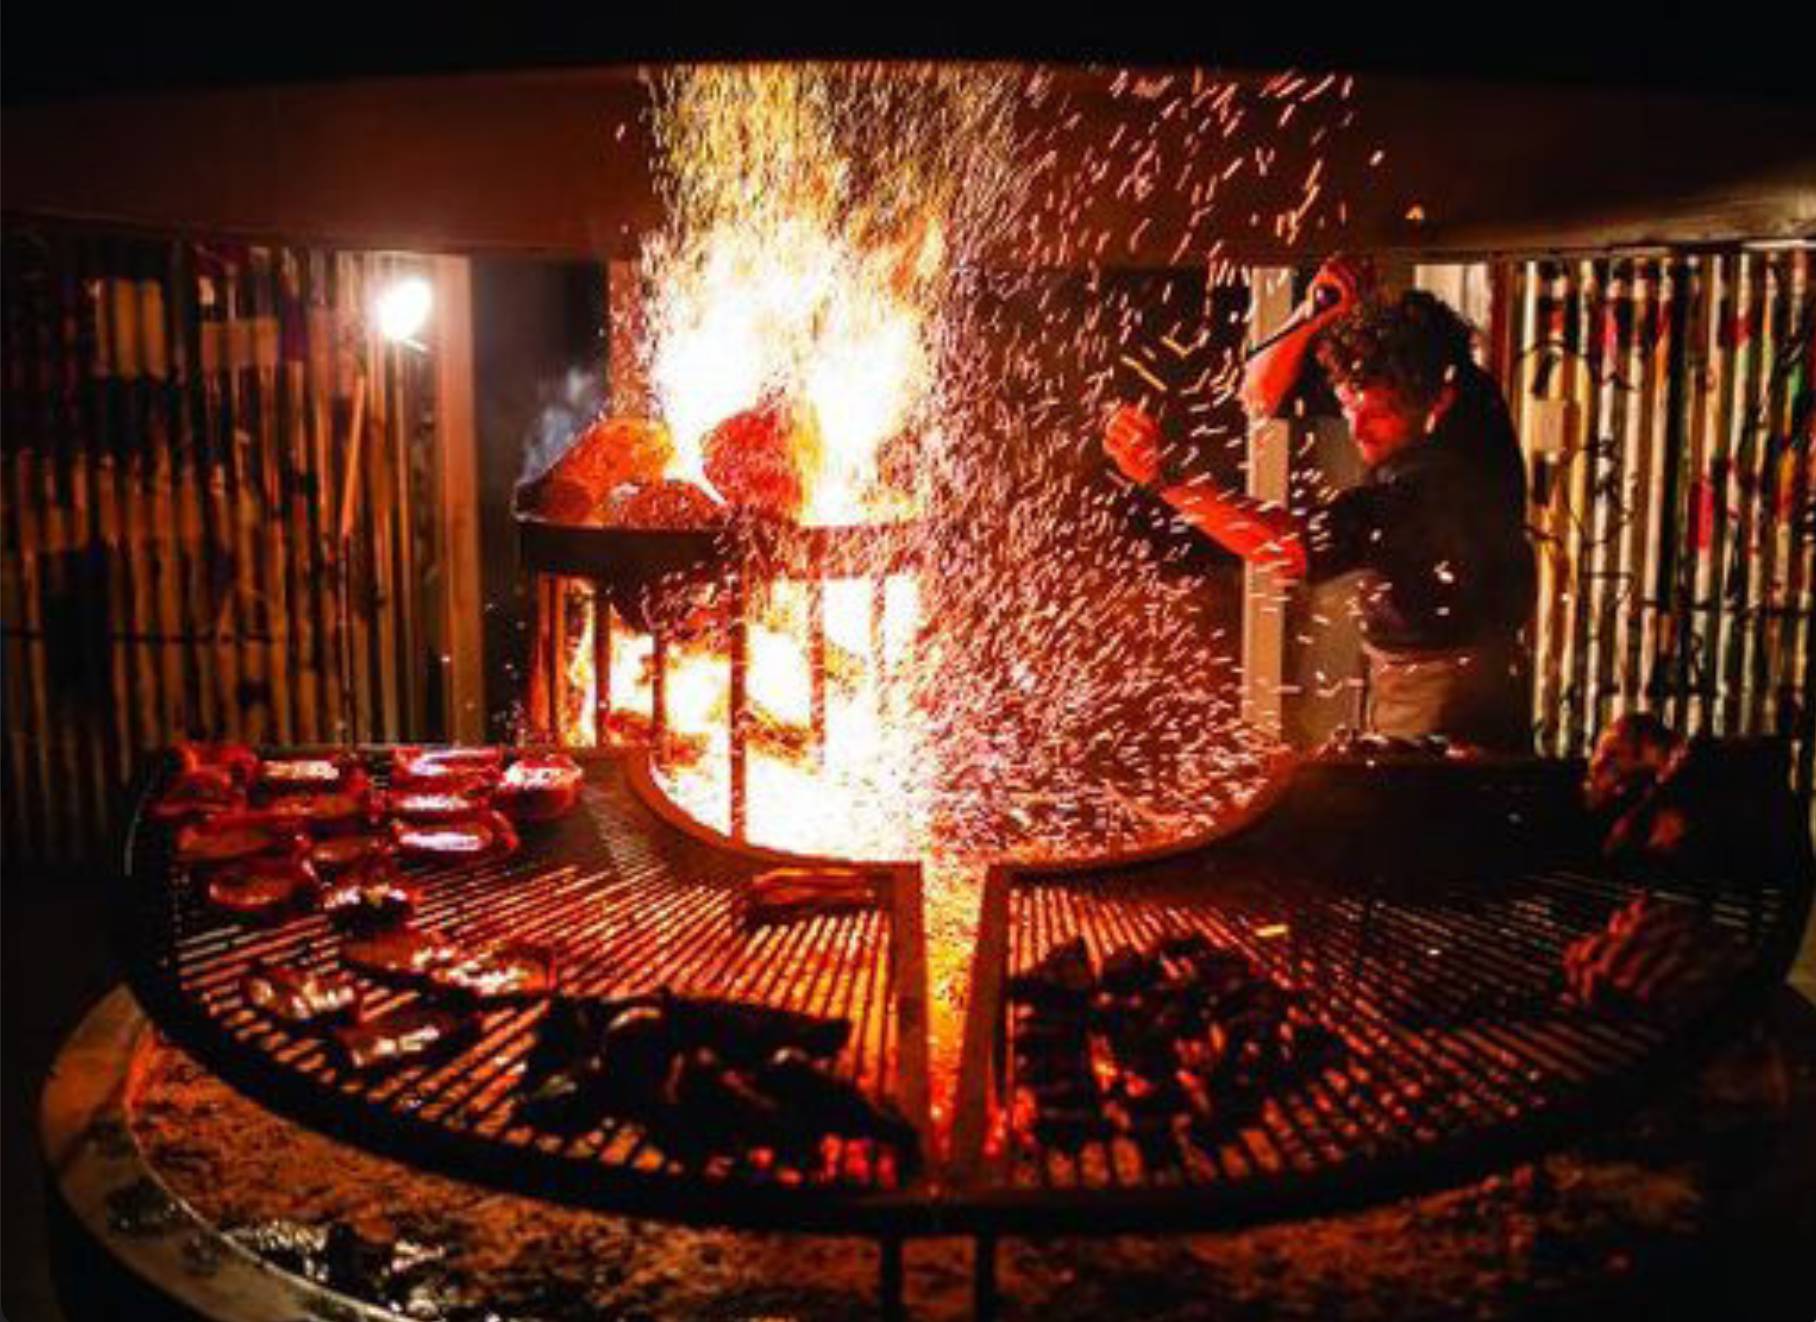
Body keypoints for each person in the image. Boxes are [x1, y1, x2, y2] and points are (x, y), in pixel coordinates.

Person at [1103, 259, 1536, 752]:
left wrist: (1165, 481)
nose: (1358, 429)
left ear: (1437, 402)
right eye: (1351, 407)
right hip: (1423, 674)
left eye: (1378, 414)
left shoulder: (1432, 483)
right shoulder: (1434, 382)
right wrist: (1316, 314)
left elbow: (1288, 550)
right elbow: (1259, 393)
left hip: (1449, 698)